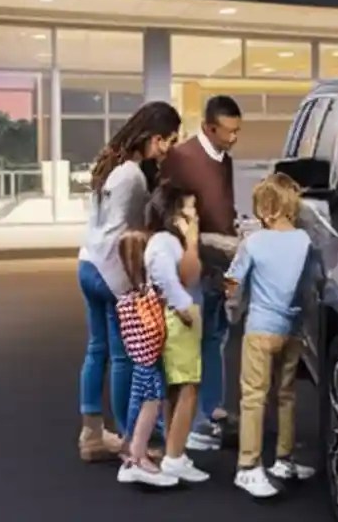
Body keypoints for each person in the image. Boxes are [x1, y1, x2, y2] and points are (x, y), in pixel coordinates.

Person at [76, 101, 181, 462]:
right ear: (154, 137)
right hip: (112, 270)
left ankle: (91, 433)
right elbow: (141, 230)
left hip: (87, 263)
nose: (168, 148)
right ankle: (127, 438)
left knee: (96, 350)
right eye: (168, 140)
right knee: (123, 356)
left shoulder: (109, 164)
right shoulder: (135, 175)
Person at [158, 95, 243, 452]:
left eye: (238, 131)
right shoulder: (182, 158)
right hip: (192, 265)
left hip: (219, 263)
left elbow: (222, 206)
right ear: (209, 127)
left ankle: (210, 411)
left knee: (216, 339)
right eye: (229, 131)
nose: (234, 137)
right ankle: (179, 424)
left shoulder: (226, 159)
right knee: (185, 346)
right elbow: (165, 209)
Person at [227, 172, 318, 498]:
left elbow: (233, 283)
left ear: (267, 209)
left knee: (253, 398)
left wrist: (230, 309)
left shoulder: (253, 242)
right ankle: (284, 459)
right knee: (286, 395)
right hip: (292, 332)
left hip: (259, 330)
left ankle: (248, 467)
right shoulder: (307, 243)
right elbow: (311, 288)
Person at [145, 182, 211, 484]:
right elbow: (181, 277)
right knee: (188, 388)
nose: (195, 213)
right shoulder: (165, 243)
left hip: (177, 316)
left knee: (177, 386)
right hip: (179, 319)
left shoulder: (164, 241)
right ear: (174, 215)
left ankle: (175, 450)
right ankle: (174, 456)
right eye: (190, 208)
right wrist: (185, 307)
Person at [114, 230, 177, 488]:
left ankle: (132, 453)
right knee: (150, 404)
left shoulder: (126, 298)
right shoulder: (151, 295)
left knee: (140, 400)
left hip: (140, 360)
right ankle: (137, 458)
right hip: (151, 361)